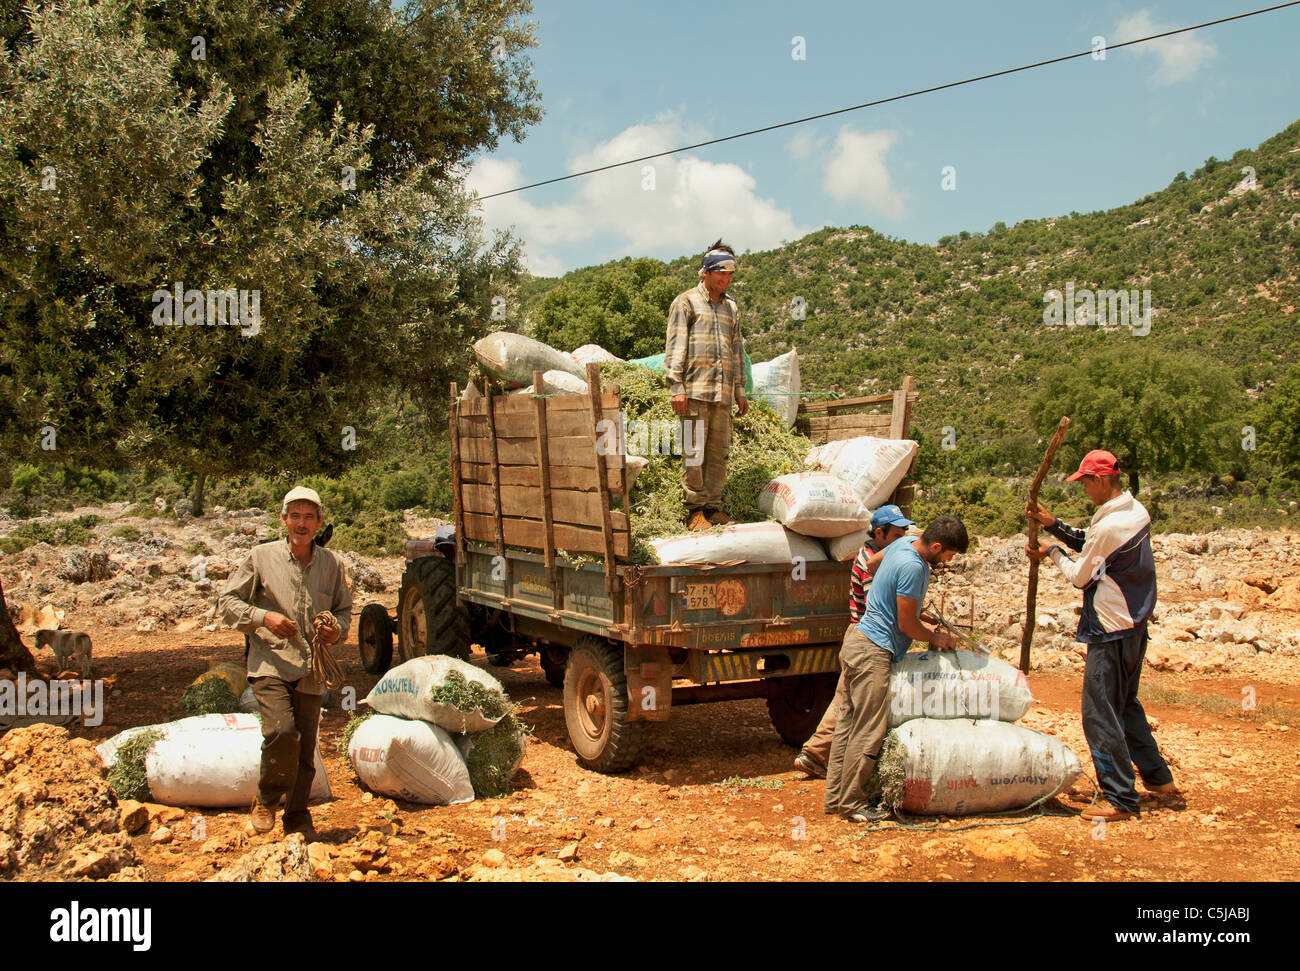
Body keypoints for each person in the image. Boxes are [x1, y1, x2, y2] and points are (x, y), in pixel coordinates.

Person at [1026, 449, 1177, 822]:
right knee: (1125, 704)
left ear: (1099, 480)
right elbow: (1093, 545)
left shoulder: (1110, 526)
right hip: (1134, 625)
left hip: (1110, 627)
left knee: (1098, 713)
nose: (1084, 491)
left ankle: (1121, 798)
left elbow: (1082, 575)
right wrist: (1053, 525)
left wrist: (1052, 552)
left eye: (1085, 484)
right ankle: (1159, 781)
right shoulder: (1132, 512)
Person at [219, 486, 352, 836]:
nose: (302, 523)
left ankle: (296, 816)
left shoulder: (333, 564)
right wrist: (265, 619)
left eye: (309, 517)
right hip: (270, 663)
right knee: (282, 732)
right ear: (283, 520)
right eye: (295, 516)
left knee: (306, 748)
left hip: (312, 667)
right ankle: (266, 797)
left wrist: (335, 630)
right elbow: (227, 603)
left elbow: (343, 611)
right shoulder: (260, 557)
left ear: (320, 521)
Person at [825, 516, 969, 822]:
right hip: (874, 652)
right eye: (949, 555)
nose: (947, 561)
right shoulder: (915, 567)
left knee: (848, 724)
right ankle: (853, 805)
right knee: (869, 729)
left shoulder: (903, 542)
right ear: (938, 546)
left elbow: (872, 566)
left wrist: (899, 603)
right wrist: (937, 637)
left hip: (857, 640)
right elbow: (906, 625)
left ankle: (836, 798)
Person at [795, 504, 914, 778]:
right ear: (880, 534)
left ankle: (814, 753)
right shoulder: (872, 563)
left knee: (845, 699)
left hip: (858, 637)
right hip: (867, 638)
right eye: (897, 536)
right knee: (859, 705)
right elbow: (881, 607)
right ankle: (844, 770)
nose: (901, 541)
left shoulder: (876, 556)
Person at [664, 240, 748, 532]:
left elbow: (736, 351)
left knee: (718, 452)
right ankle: (695, 510)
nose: (726, 280)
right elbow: (676, 346)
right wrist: (677, 386)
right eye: (721, 274)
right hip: (694, 390)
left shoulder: (731, 308)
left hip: (722, 393)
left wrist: (739, 390)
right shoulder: (686, 302)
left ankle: (713, 508)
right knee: (693, 450)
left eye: (730, 275)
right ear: (706, 272)